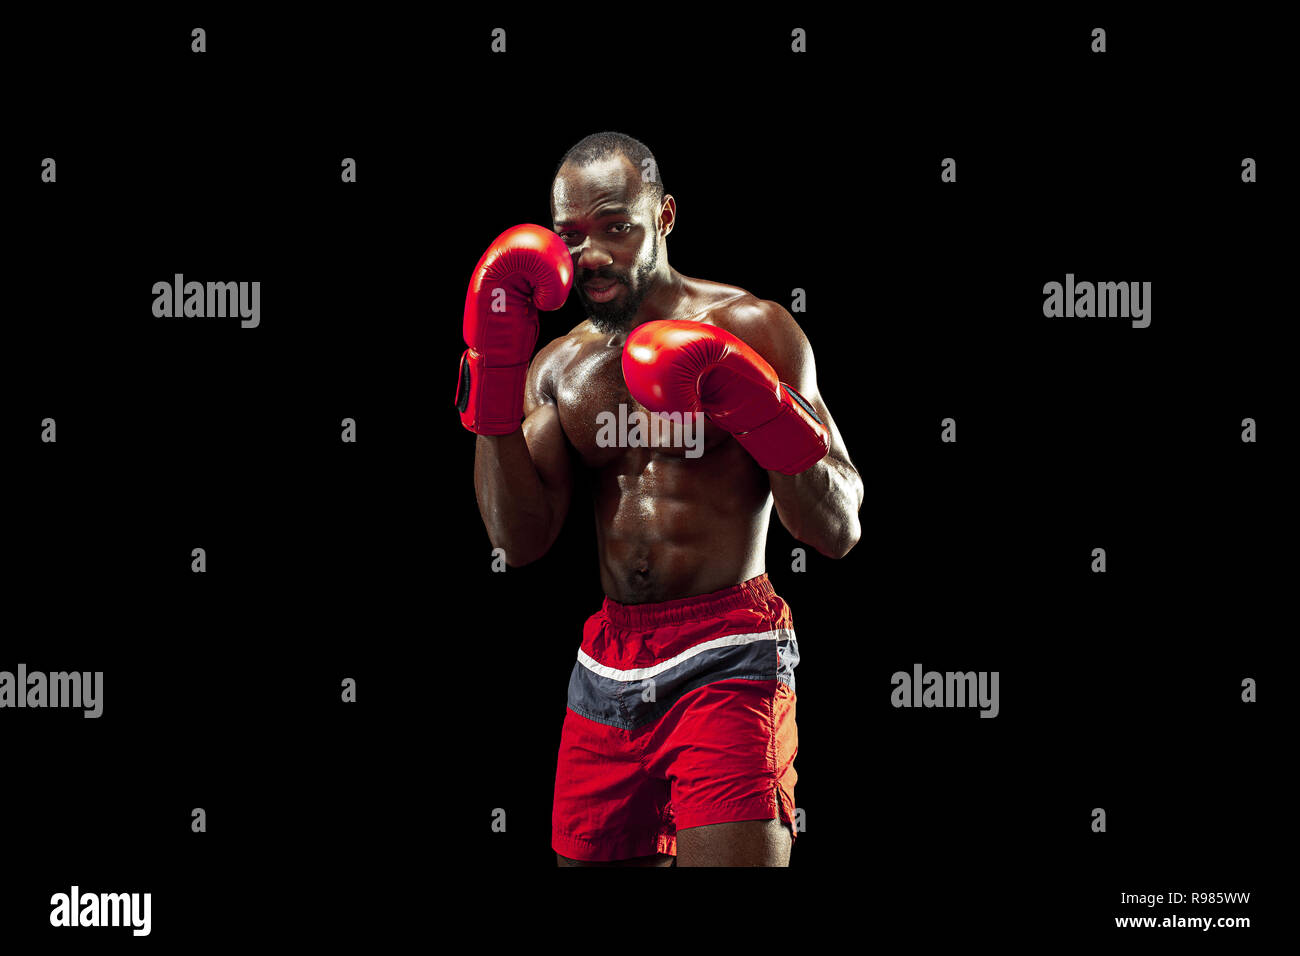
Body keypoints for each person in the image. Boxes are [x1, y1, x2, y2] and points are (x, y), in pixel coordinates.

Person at [456, 132, 863, 866]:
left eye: (618, 225)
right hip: (608, 662)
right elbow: (517, 543)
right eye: (571, 235)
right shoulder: (559, 367)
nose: (594, 255)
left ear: (665, 215)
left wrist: (760, 404)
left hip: (729, 652)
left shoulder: (753, 327)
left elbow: (837, 528)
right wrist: (494, 387)